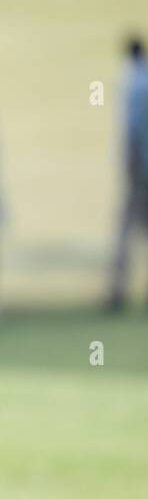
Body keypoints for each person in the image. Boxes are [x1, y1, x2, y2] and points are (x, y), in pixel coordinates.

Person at [104, 36, 148, 312]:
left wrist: (130, 166)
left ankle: (117, 290)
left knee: (125, 227)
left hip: (139, 170)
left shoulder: (133, 82)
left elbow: (132, 130)